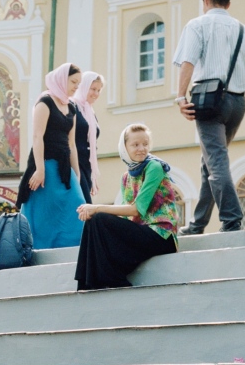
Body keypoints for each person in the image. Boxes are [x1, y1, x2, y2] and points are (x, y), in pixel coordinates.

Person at [173, 0, 245, 234]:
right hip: (238, 103)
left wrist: (180, 96)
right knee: (210, 161)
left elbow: (188, 61)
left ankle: (232, 221)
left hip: (208, 101)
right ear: (228, 4)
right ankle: (198, 224)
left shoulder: (197, 25)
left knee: (216, 161)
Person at [74, 123, 181, 291]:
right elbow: (125, 215)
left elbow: (136, 209)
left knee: (100, 216)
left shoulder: (154, 167)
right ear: (124, 147)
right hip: (143, 232)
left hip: (162, 235)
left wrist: (96, 208)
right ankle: (86, 282)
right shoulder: (126, 176)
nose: (141, 149)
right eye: (135, 144)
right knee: (94, 221)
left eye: (145, 144)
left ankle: (112, 278)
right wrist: (92, 213)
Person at [16, 63, 87, 250]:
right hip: (45, 165)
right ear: (62, 79)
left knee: (77, 206)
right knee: (42, 212)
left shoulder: (71, 108)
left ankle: (74, 250)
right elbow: (37, 136)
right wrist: (39, 169)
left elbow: (71, 144)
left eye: (78, 84)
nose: (75, 87)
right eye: (73, 82)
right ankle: (37, 250)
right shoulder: (45, 102)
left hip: (64, 168)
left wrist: (77, 174)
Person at [72, 72, 105, 200]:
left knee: (84, 203)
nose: (96, 94)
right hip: (75, 162)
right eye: (93, 89)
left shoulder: (89, 111)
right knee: (82, 203)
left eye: (99, 90)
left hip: (86, 164)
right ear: (83, 87)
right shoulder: (72, 106)